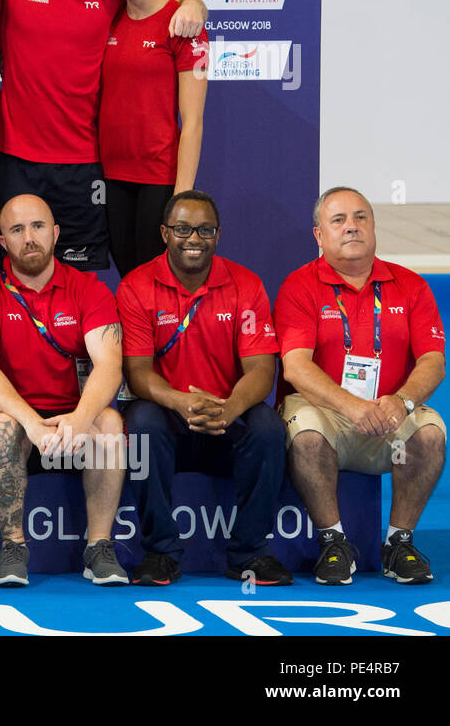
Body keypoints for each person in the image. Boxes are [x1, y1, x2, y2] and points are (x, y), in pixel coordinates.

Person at [0, 0, 206, 274]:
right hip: (13, 155)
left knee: (79, 281)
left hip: (84, 161)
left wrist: (194, 3)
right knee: (9, 272)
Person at [117, 190, 290, 586]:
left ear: (217, 235)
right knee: (141, 421)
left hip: (225, 420)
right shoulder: (136, 286)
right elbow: (138, 372)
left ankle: (249, 553)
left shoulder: (245, 284)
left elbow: (263, 370)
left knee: (267, 427)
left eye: (204, 230)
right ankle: (160, 553)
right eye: (182, 229)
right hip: (171, 423)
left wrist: (229, 408)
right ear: (164, 233)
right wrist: (181, 402)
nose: (194, 238)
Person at [275, 187, 446, 585]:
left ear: (373, 226)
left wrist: (402, 402)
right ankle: (334, 542)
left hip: (388, 417)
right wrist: (352, 406)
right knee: (306, 436)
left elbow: (433, 361)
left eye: (361, 217)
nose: (351, 227)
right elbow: (295, 368)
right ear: (319, 235)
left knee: (431, 432)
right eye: (338, 221)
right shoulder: (300, 286)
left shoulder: (411, 286)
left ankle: (398, 544)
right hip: (330, 417)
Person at [0, 193, 128, 586]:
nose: (29, 237)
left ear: (55, 233)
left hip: (75, 414)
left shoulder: (89, 289)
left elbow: (109, 364)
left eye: (37, 227)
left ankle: (99, 548)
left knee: (110, 424)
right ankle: (13, 548)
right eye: (17, 230)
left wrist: (81, 418)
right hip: (20, 419)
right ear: (3, 242)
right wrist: (32, 423)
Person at [101, 0, 210, 276]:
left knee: (155, 277)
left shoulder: (183, 24)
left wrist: (182, 196)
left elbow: (192, 122)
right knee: (128, 273)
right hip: (111, 173)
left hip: (159, 177)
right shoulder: (109, 13)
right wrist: (194, 0)